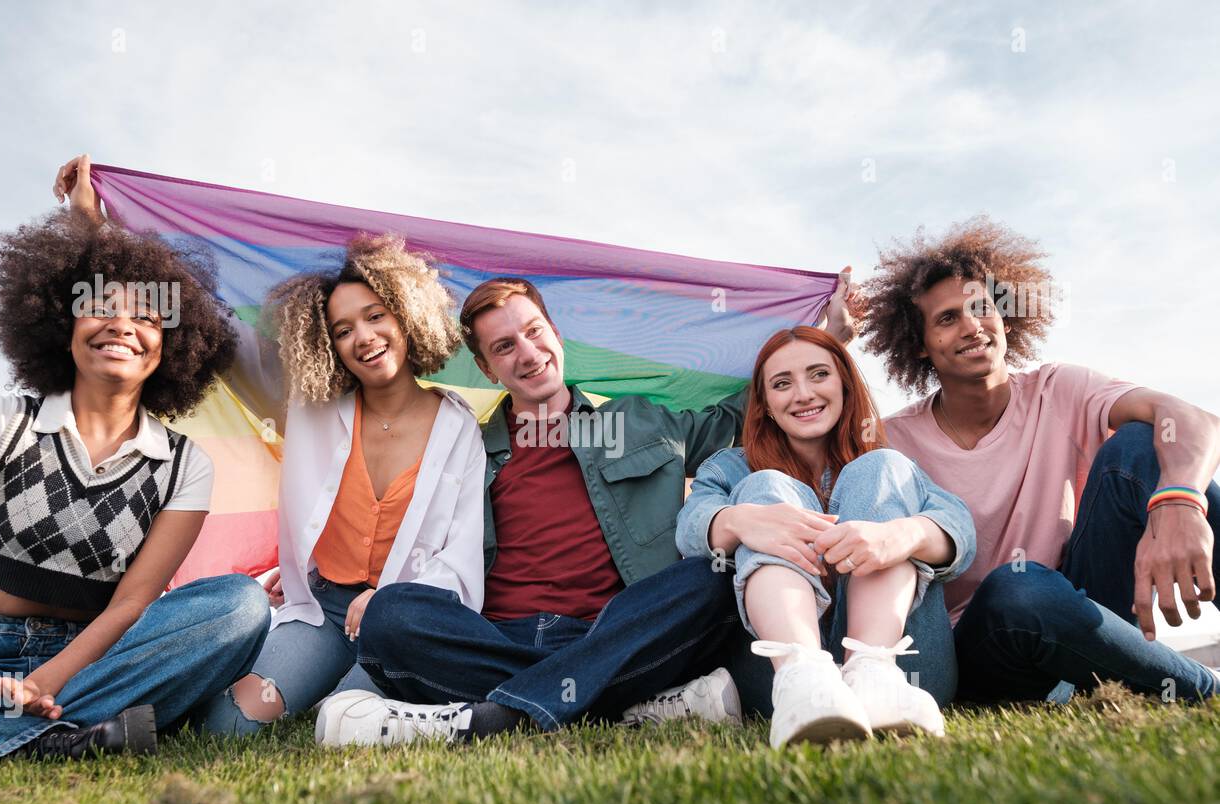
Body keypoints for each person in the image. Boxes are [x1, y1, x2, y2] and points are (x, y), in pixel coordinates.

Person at [316, 270, 854, 746]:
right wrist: (301, 567)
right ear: (485, 367)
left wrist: (828, 339)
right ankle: (626, 705)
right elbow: (396, 520)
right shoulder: (465, 445)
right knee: (392, 615)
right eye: (504, 347)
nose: (527, 354)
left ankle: (486, 719)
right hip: (499, 635)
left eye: (533, 332)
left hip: (619, 627)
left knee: (711, 578)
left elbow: (749, 411)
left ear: (555, 333)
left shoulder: (637, 423)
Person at [0, 198, 271, 776]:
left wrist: (42, 684)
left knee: (239, 606)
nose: (121, 324)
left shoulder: (184, 464)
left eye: (146, 316)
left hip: (97, 666)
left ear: (172, 345)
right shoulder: (0, 420)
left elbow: (134, 603)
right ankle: (58, 736)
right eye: (100, 306)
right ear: (62, 326)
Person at [860, 216, 1220, 705]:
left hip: (1084, 607)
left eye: (980, 308)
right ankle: (1205, 688)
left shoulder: (1059, 389)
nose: (971, 326)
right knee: (1018, 586)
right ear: (920, 346)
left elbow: (1191, 418)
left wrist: (1179, 503)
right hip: (989, 645)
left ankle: (1116, 664)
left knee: (1141, 445)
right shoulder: (893, 441)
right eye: (947, 319)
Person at [192, 233, 485, 736]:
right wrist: (101, 226)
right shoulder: (309, 409)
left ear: (406, 316)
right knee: (227, 726)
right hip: (324, 611)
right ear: (328, 344)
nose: (364, 337)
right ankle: (318, 673)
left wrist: (394, 599)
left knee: (347, 722)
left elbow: (460, 552)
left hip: (401, 622)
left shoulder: (458, 428)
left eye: (376, 316)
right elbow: (223, 335)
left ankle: (350, 689)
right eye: (343, 329)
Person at [675, 326, 974, 747]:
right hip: (774, 677)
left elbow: (959, 527)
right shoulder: (730, 468)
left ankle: (872, 674)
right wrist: (740, 521)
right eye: (782, 384)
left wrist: (901, 535)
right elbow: (690, 529)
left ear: (845, 385)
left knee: (881, 468)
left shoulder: (885, 460)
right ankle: (804, 676)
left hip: (905, 666)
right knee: (765, 488)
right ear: (765, 406)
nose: (802, 394)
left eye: (819, 375)